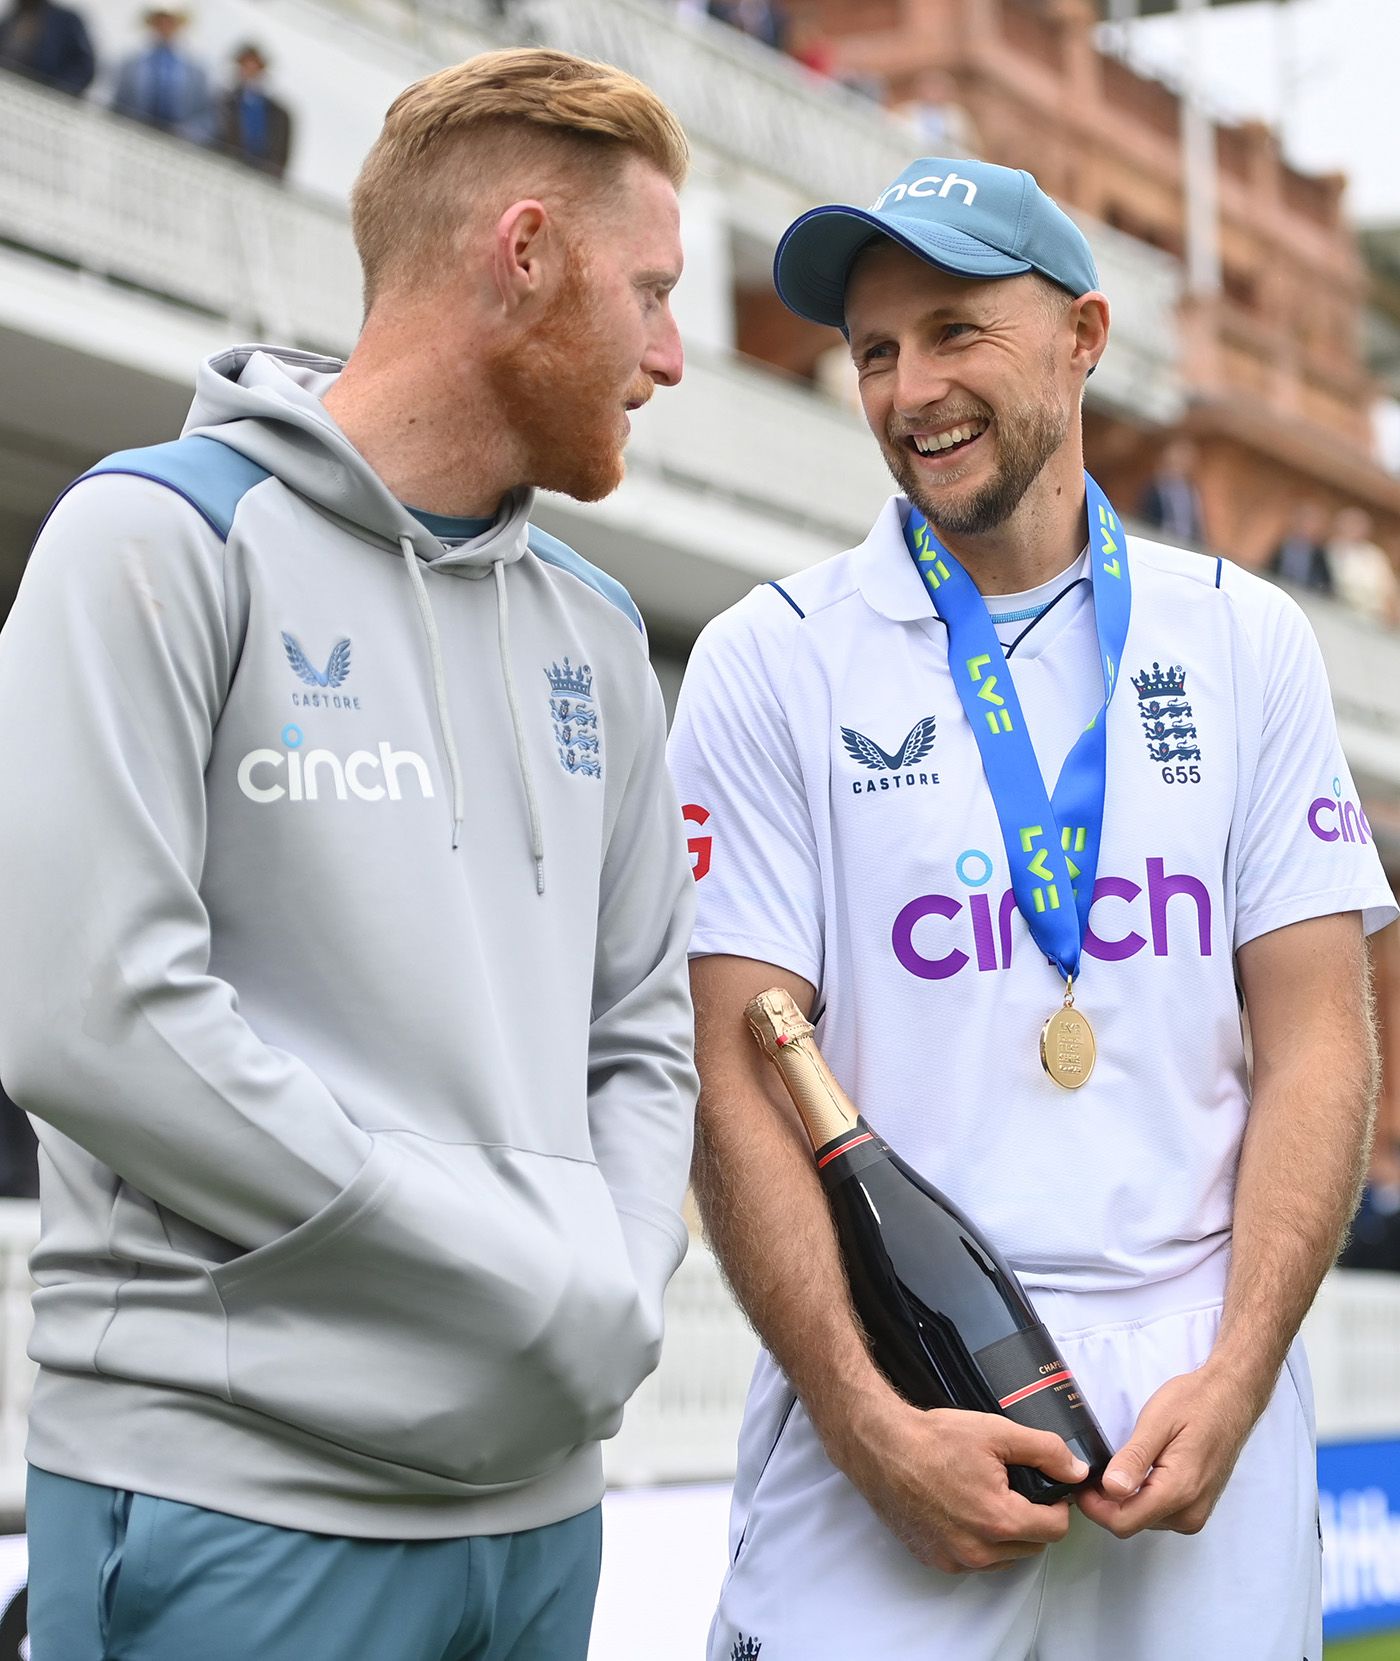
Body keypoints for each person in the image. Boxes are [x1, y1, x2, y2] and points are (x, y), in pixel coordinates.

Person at [0, 46, 697, 1661]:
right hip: (240, 1508)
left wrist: (614, 1277)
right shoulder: (154, 542)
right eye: (648, 293)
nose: (669, 353)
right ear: (522, 255)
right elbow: (92, 1022)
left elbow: (643, 1031)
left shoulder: (598, 637)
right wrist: (513, 1274)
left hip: (539, 1525)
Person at [668, 154, 1395, 1659]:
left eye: (954, 330)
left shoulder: (1244, 639)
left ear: (1084, 335)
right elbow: (733, 1082)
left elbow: (1323, 1036)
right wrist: (868, 1423)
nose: (908, 386)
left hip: (1201, 1402)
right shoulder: (772, 658)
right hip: (901, 1388)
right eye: (873, 350)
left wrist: (1247, 1367)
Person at [110, 6, 212, 141]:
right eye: (160, 22)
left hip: (177, 143)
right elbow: (117, 104)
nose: (164, 27)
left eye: (169, 23)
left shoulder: (197, 71)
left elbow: (205, 115)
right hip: (135, 137)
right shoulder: (131, 64)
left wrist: (187, 134)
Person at [214, 42, 293, 179]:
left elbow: (282, 152)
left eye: (253, 66)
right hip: (233, 167)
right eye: (245, 66)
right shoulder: (226, 102)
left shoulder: (278, 112)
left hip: (264, 172)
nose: (249, 71)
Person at [0, 0, 95, 95]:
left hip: (44, 96)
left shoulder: (65, 21)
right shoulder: (10, 21)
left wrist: (58, 91)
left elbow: (84, 66)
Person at [1327, 505, 1400, 627]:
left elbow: (1388, 588)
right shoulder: (1332, 550)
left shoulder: (1374, 554)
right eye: (1351, 526)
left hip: (1378, 621)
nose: (1355, 531)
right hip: (1343, 615)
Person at [1136, 435, 1207, 549]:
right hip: (1157, 542)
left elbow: (1196, 525)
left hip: (1183, 547)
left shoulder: (1191, 491)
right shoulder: (1156, 486)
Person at [1269, 498, 1334, 594]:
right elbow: (1270, 569)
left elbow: (1325, 583)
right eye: (1305, 522)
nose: (1308, 528)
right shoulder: (1284, 545)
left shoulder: (1319, 554)